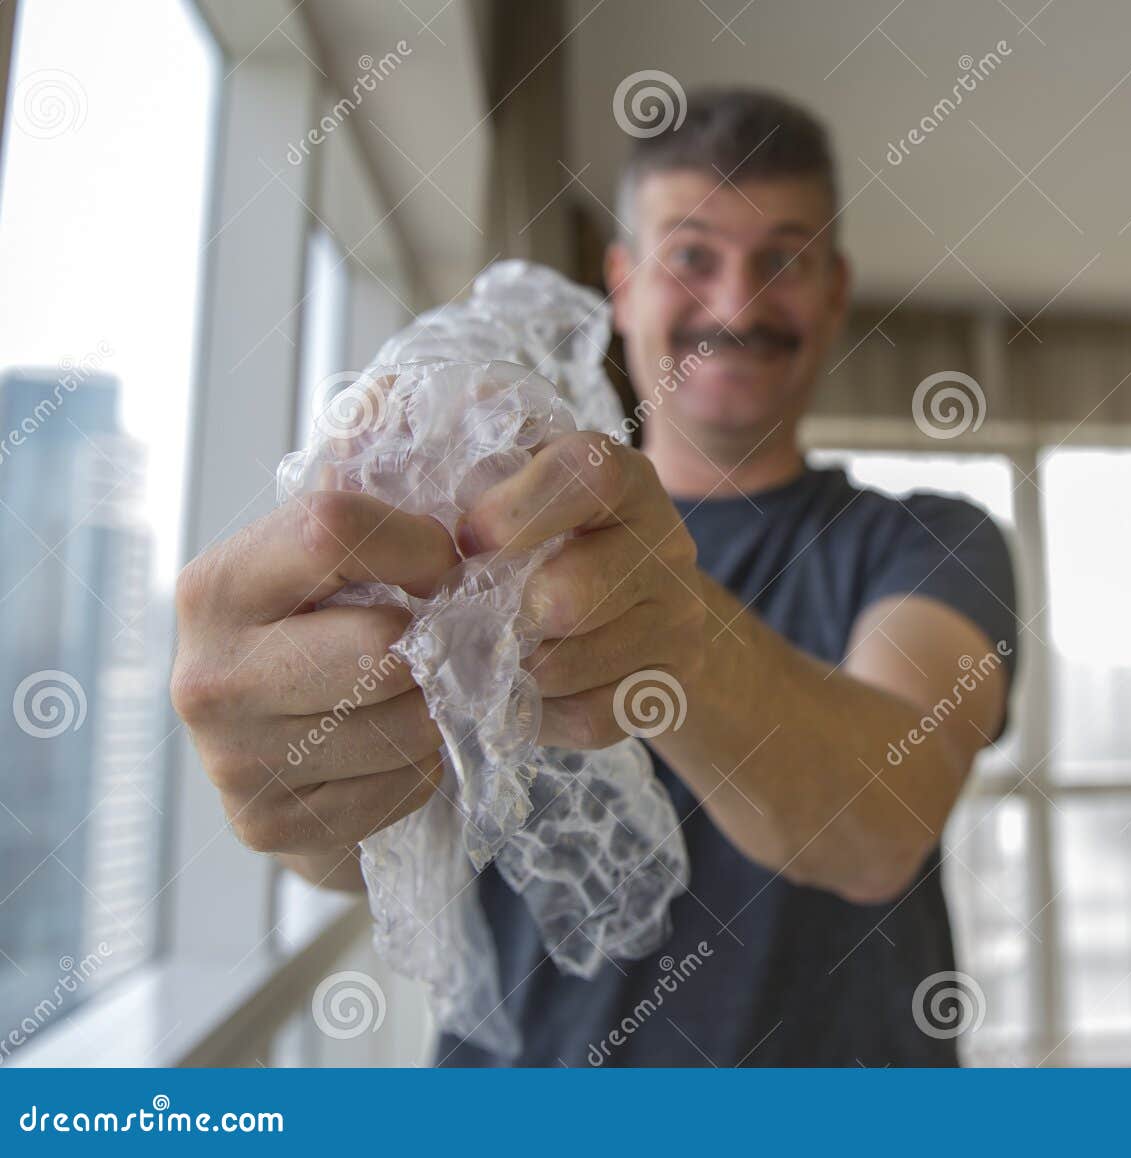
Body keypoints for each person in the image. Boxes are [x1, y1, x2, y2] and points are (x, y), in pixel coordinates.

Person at [171, 88, 1017, 1066]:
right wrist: (299, 786)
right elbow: (362, 849)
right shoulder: (477, 533)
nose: (736, 305)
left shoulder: (930, 542)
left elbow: (881, 821)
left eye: (781, 260)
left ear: (833, 292)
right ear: (621, 284)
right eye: (692, 257)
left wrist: (676, 629)